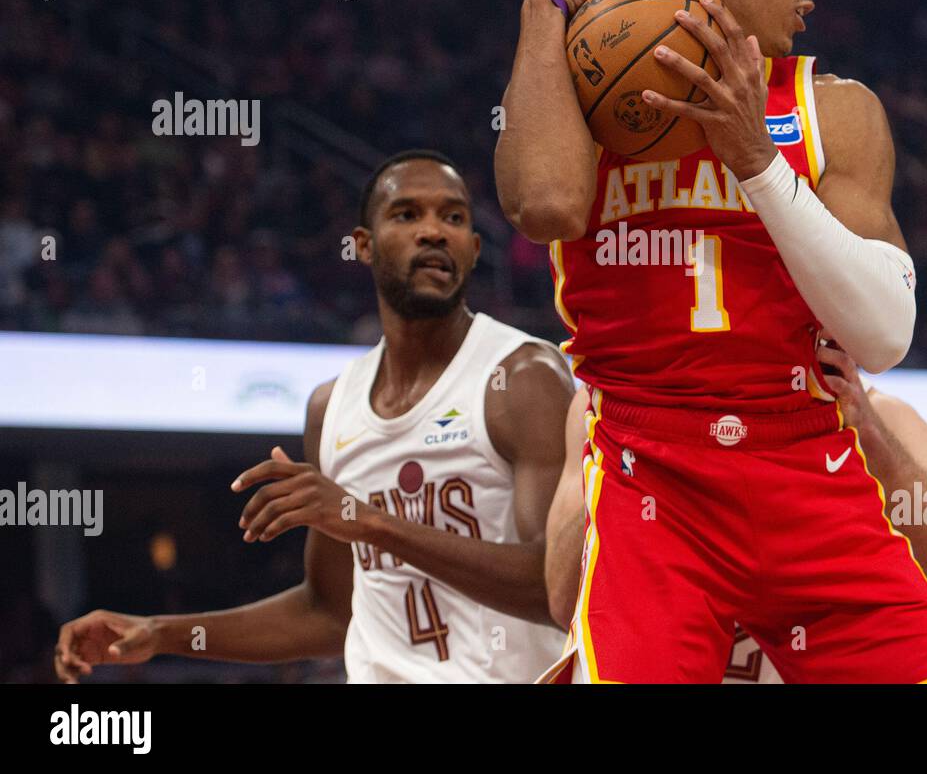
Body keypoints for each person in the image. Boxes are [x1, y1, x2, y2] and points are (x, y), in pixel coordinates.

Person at [500, 0, 927, 684]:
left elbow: (885, 335)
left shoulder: (834, 109)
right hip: (654, 476)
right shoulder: (587, 100)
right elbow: (545, 206)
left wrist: (758, 163)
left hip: (809, 464)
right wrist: (544, 13)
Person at [55, 150, 571, 684]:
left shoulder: (522, 377)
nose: (434, 232)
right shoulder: (333, 407)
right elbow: (328, 612)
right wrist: (161, 632)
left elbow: (553, 588)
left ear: (474, 248)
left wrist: (368, 520)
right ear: (363, 246)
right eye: (407, 214)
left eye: (454, 217)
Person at [545, 339, 927, 683]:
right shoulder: (597, 407)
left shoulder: (883, 414)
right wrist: (622, 452)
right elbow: (562, 601)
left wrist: (869, 432)